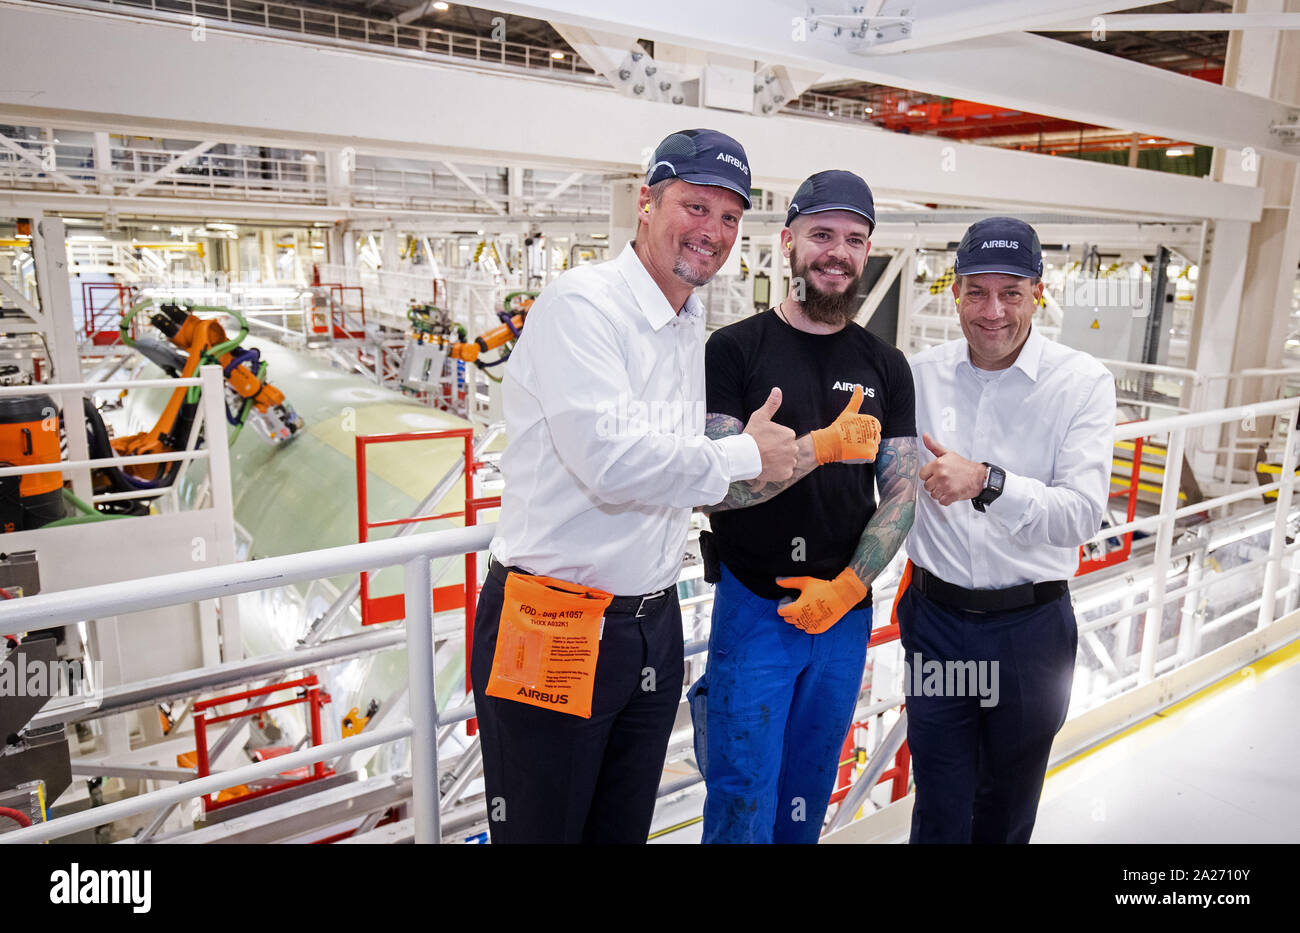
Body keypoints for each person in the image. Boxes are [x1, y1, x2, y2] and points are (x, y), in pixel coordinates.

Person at [470, 129, 799, 844]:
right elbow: (613, 463)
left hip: (651, 622)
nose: (712, 231)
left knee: (620, 830)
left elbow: (669, 459)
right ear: (646, 202)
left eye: (730, 217)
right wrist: (745, 454)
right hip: (552, 616)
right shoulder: (583, 306)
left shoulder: (684, 319)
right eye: (696, 205)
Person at [692, 170, 918, 844]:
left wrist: (850, 586)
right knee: (742, 797)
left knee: (807, 794)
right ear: (788, 241)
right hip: (754, 606)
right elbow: (718, 487)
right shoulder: (734, 350)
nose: (837, 251)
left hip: (843, 614)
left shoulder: (887, 365)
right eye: (822, 234)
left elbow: (902, 490)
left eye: (854, 239)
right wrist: (819, 447)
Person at [900, 216, 1116, 844]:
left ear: (1037, 293)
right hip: (936, 622)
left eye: (1011, 293)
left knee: (1007, 809)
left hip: (1030, 633)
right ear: (955, 291)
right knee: (937, 802)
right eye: (977, 292)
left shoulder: (1080, 383)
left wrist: (988, 482)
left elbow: (1081, 514)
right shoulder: (918, 375)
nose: (992, 311)